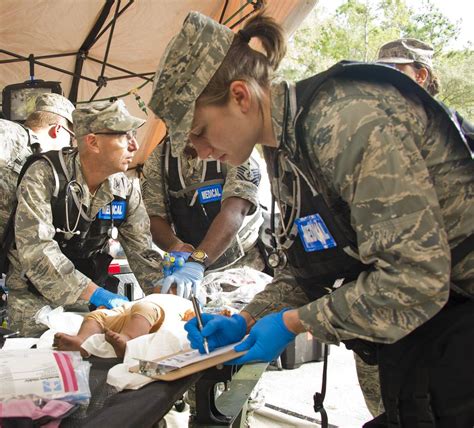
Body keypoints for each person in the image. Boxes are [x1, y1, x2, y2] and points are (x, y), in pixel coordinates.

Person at [148, 11, 474, 427]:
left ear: (240, 96)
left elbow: (415, 281)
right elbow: (310, 267)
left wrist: (292, 322)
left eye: (198, 131)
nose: (200, 151)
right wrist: (248, 318)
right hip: (430, 345)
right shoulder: (286, 149)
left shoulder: (346, 121)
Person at [6, 100, 164, 337]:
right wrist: (95, 293)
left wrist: (164, 293)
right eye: (124, 136)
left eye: (134, 135)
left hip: (88, 297)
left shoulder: (125, 188)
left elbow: (142, 252)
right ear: (93, 142)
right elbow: (36, 250)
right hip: (35, 302)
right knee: (46, 356)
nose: (135, 145)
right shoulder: (46, 174)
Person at [141, 136, 265, 299]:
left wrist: (199, 260)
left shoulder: (237, 147)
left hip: (243, 266)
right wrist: (177, 246)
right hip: (189, 266)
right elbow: (154, 216)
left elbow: (235, 210)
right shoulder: (160, 157)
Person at [0, 93, 75, 242]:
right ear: (58, 130)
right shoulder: (7, 132)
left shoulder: (39, 161)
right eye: (71, 137)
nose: (70, 145)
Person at [54, 299, 165, 358]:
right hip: (126, 308)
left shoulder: (179, 302)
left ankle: (127, 340)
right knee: (96, 315)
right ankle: (82, 342)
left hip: (150, 310)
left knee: (146, 308)